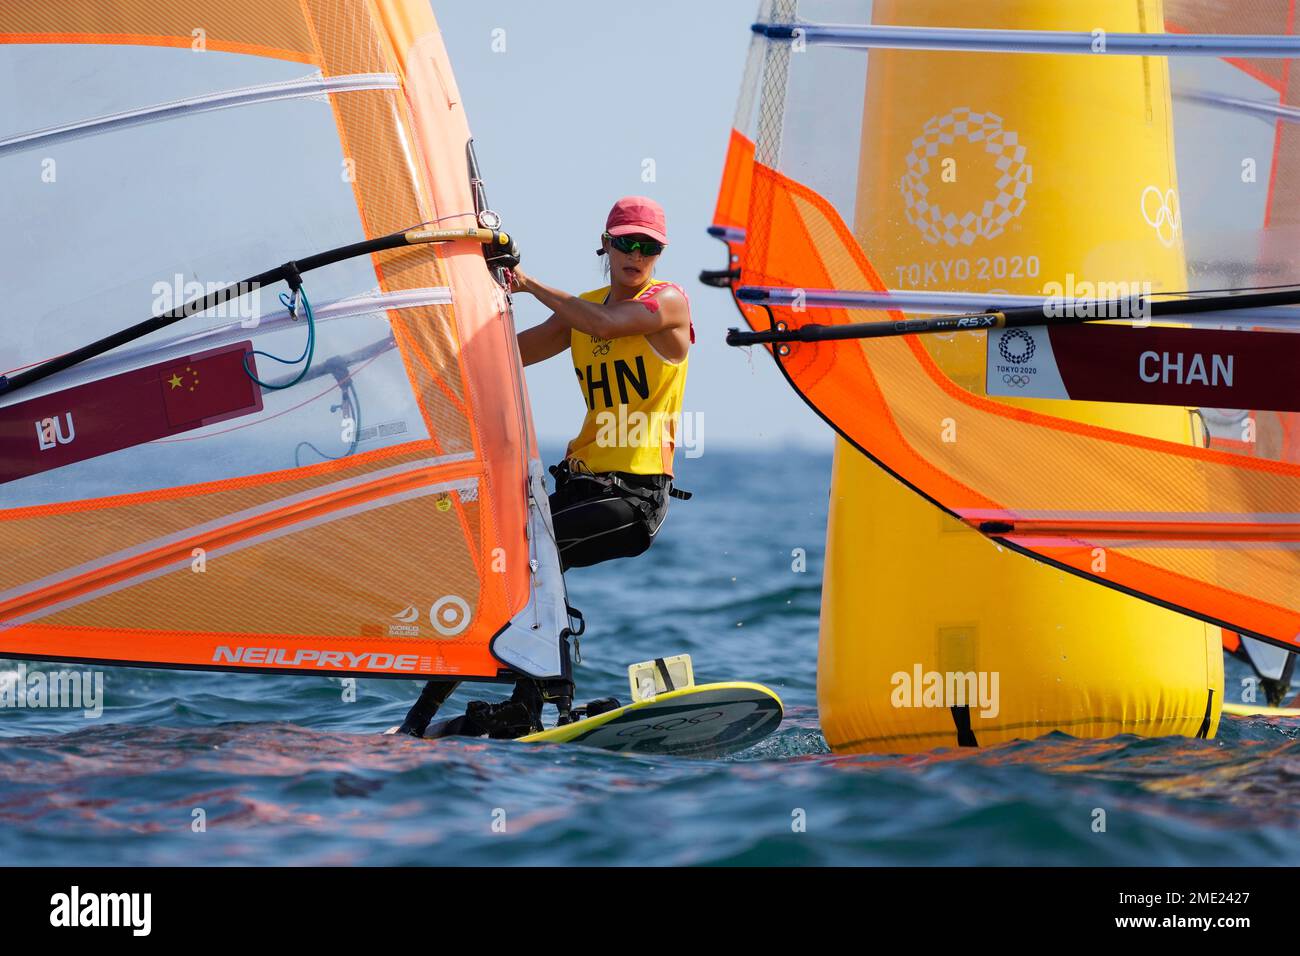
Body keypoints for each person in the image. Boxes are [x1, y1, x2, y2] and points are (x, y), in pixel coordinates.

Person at [395, 196, 694, 740]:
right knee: (503, 563)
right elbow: (506, 351)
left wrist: (526, 282)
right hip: (581, 485)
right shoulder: (580, 310)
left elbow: (604, 323)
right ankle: (433, 718)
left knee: (539, 554)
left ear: (659, 254)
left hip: (635, 499)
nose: (635, 254)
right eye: (625, 242)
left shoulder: (668, 303)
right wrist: (430, 330)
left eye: (647, 247)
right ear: (605, 245)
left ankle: (544, 701)